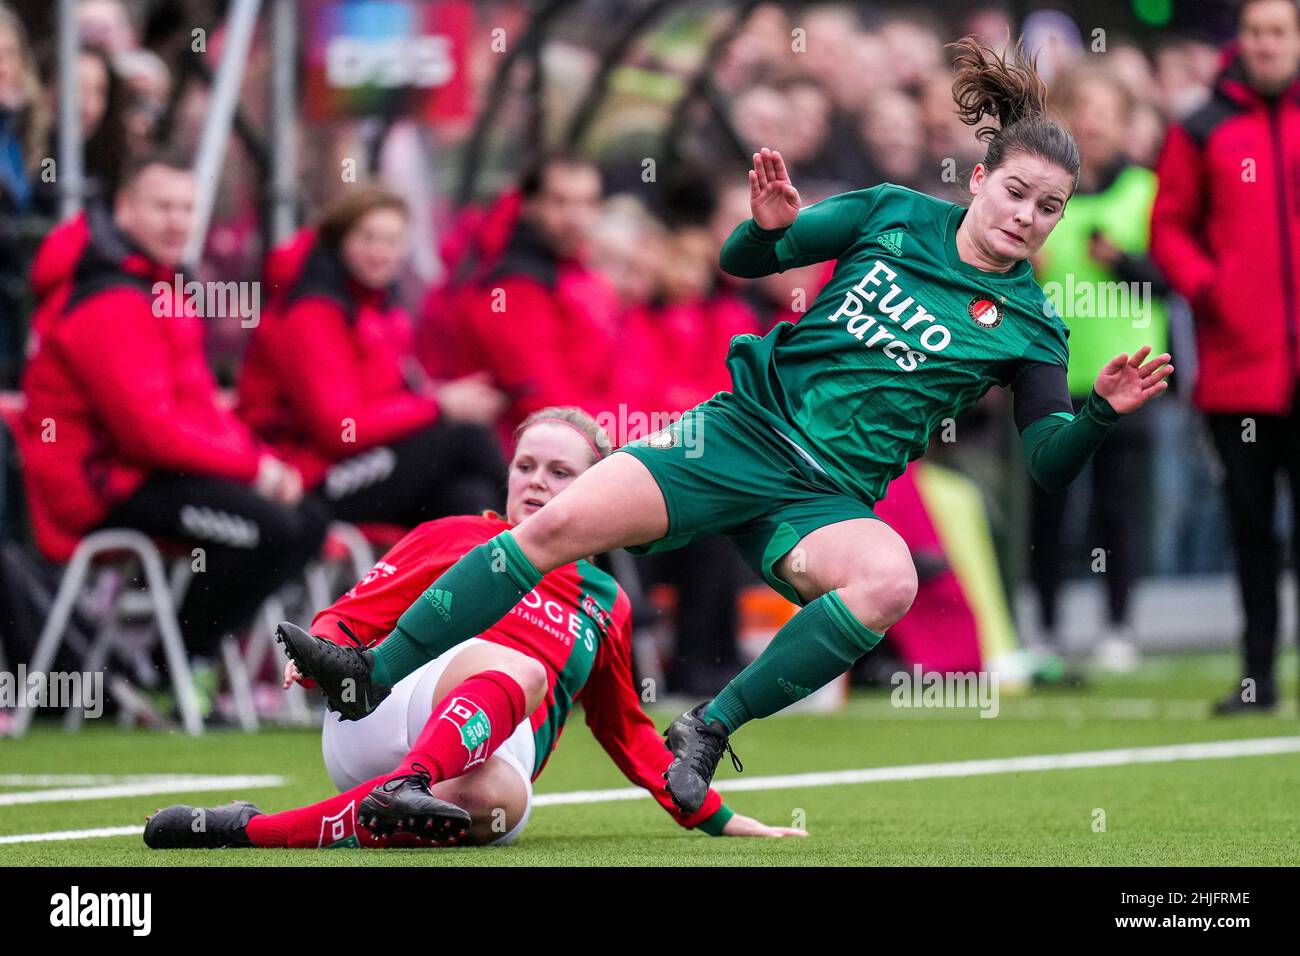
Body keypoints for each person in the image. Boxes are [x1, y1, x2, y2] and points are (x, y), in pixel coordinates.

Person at [279, 38, 1173, 817]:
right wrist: (768, 231)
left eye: (1047, 207)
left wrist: (1097, 410)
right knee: (548, 527)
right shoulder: (892, 212)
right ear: (980, 179)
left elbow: (1049, 462)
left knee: (886, 578)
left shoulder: (1033, 326)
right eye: (1016, 192)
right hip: (738, 433)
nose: (1026, 216)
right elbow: (742, 258)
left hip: (823, 499)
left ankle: (708, 728)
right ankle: (372, 669)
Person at [144, 408, 801, 848]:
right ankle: (408, 781)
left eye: (561, 472)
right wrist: (327, 646)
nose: (537, 481)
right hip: (386, 707)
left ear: (601, 487)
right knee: (523, 667)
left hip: (489, 750)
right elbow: (354, 611)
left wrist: (717, 817)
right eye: (526, 466)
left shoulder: (607, 600)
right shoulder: (457, 536)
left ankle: (247, 832)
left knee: (497, 808)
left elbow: (625, 728)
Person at [18, 151, 328, 659]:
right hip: (102, 491)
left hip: (148, 476)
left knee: (307, 520)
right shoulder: (109, 299)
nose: (178, 221)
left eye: (187, 208)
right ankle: (168, 669)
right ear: (123, 209)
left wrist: (264, 463)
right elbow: (147, 433)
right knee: (272, 528)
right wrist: (254, 470)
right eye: (162, 207)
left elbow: (199, 408)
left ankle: (186, 665)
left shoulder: (161, 287)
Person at [1151, 0, 1300, 715]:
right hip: (1239, 372)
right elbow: (1169, 226)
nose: (1266, 45)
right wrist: (1211, 288)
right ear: (1240, 41)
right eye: (1256, 32)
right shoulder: (1202, 125)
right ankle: (1258, 678)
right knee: (1250, 532)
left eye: (1279, 32)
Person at [238, 186, 509, 526]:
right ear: (340, 242)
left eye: (392, 241)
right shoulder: (312, 313)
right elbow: (339, 430)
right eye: (367, 238)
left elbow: (392, 401)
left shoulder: (382, 311)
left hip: (372, 465)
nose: (380, 252)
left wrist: (441, 397)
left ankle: (511, 571)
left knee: (470, 499)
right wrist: (438, 405)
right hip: (311, 479)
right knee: (465, 438)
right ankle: (550, 554)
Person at [1030, 64, 1172, 672]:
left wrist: (1125, 261)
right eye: (1080, 110)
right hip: (1052, 379)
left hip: (1130, 378)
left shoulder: (1147, 190)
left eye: (1105, 113)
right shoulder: (1041, 192)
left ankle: (1118, 628)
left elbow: (1170, 283)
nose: (1091, 124)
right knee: (1051, 509)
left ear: (1124, 123)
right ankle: (1045, 631)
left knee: (1117, 509)